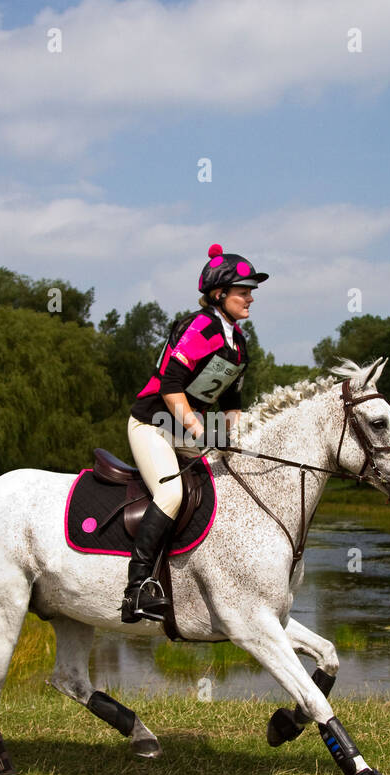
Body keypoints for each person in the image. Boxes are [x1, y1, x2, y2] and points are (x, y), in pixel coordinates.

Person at [121, 243, 268, 623]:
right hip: (153, 422)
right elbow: (171, 387)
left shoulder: (238, 344)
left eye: (251, 291)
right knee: (171, 492)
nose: (251, 298)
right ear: (219, 294)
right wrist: (201, 431)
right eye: (243, 291)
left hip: (185, 430)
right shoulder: (199, 327)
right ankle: (136, 588)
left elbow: (232, 403)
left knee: (228, 483)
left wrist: (237, 437)